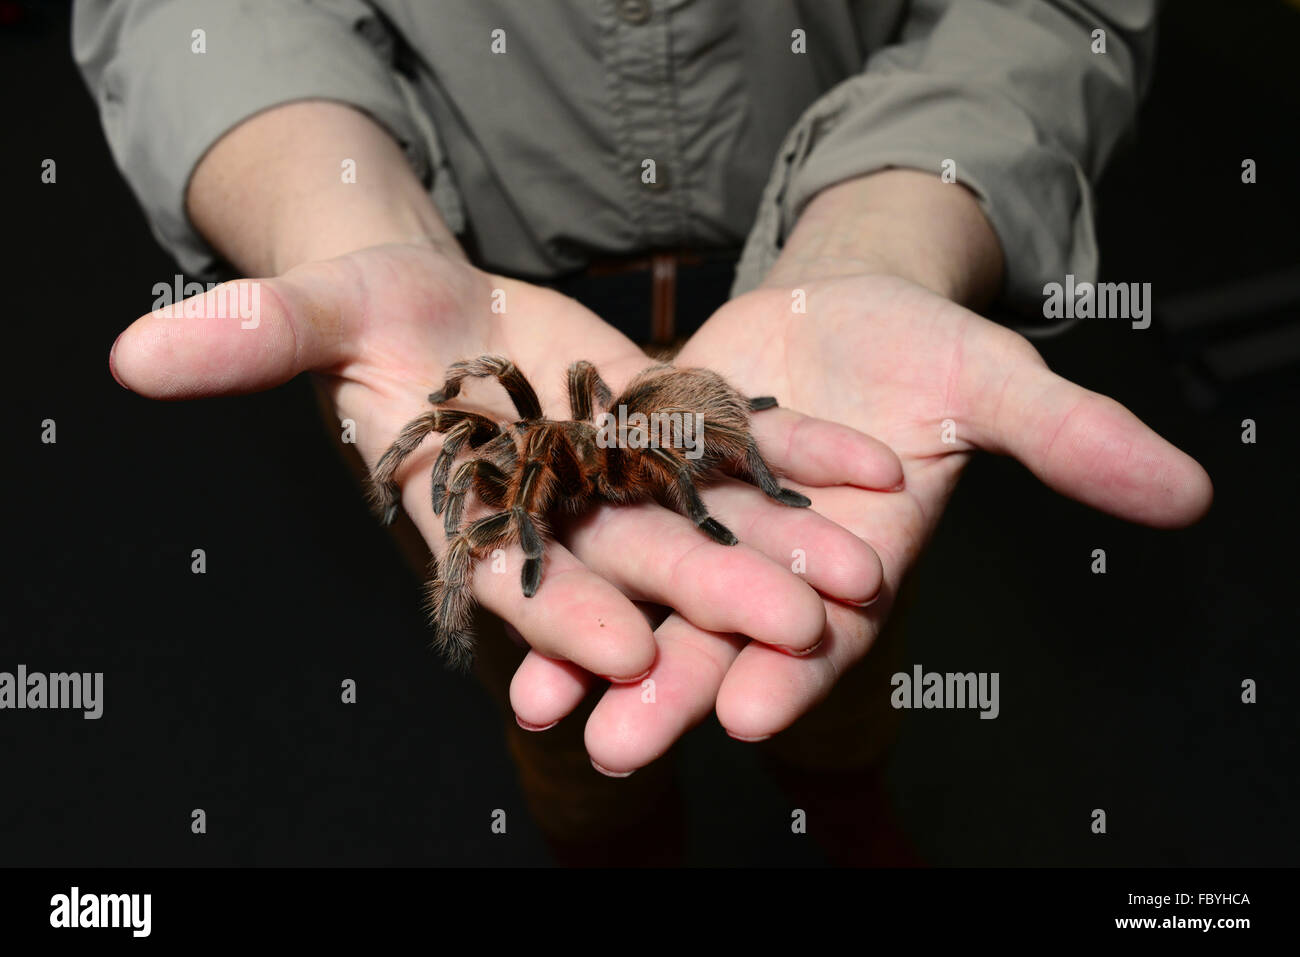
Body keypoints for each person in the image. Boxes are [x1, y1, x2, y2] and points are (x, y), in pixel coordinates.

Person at [74, 0, 1211, 863]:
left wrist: (897, 233)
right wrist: (344, 218)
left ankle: (839, 775)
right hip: (475, 273)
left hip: (804, 282)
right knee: (556, 675)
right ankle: (605, 836)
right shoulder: (507, 440)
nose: (515, 487)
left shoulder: (623, 441)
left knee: (831, 594)